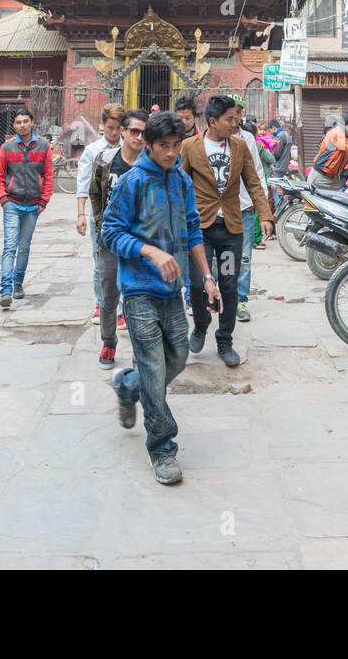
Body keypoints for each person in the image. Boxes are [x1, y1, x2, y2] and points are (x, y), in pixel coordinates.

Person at [102, 111, 222, 486]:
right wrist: (149, 251)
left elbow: (192, 230)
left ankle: (128, 386)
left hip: (174, 291)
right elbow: (110, 233)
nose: (171, 153)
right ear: (148, 145)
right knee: (154, 367)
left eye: (176, 146)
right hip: (138, 290)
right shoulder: (131, 182)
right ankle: (162, 446)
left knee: (179, 357)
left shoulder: (182, 181)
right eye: (164, 147)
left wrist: (206, 277)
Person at [179, 95, 273, 366]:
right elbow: (180, 183)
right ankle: (200, 325)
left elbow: (254, 184)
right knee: (197, 284)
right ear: (212, 121)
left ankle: (225, 339)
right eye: (230, 119)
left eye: (236, 118)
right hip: (201, 231)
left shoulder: (241, 146)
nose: (236, 123)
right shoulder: (190, 147)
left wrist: (265, 215)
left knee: (229, 284)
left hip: (231, 230)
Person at [89, 108, 147, 368]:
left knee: (138, 299)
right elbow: (95, 194)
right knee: (109, 298)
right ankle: (109, 344)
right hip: (110, 240)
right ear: (122, 131)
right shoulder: (105, 160)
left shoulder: (151, 164)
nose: (138, 137)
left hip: (139, 242)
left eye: (144, 133)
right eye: (134, 131)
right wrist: (101, 226)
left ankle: (140, 350)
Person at [0, 107, 54, 308]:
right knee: (10, 246)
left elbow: (48, 175)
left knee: (24, 247)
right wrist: (3, 200)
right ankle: (5, 290)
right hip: (12, 203)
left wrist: (43, 201)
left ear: (32, 122)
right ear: (14, 125)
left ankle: (18, 282)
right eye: (18, 122)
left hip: (33, 206)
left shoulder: (43, 146)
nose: (22, 125)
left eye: (25, 121)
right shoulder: (6, 148)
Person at [76, 104, 126, 323]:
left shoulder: (131, 147)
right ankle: (101, 304)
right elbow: (83, 183)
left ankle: (123, 308)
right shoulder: (93, 150)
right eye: (110, 128)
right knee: (100, 262)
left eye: (118, 128)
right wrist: (81, 215)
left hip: (126, 215)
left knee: (125, 260)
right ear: (103, 125)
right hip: (101, 215)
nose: (114, 133)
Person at [231, 97, 271, 322]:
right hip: (221, 211)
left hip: (245, 207)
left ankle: (241, 298)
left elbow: (257, 173)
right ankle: (224, 294)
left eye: (238, 112)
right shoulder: (211, 140)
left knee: (245, 256)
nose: (235, 117)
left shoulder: (248, 140)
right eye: (232, 112)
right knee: (223, 257)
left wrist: (263, 208)